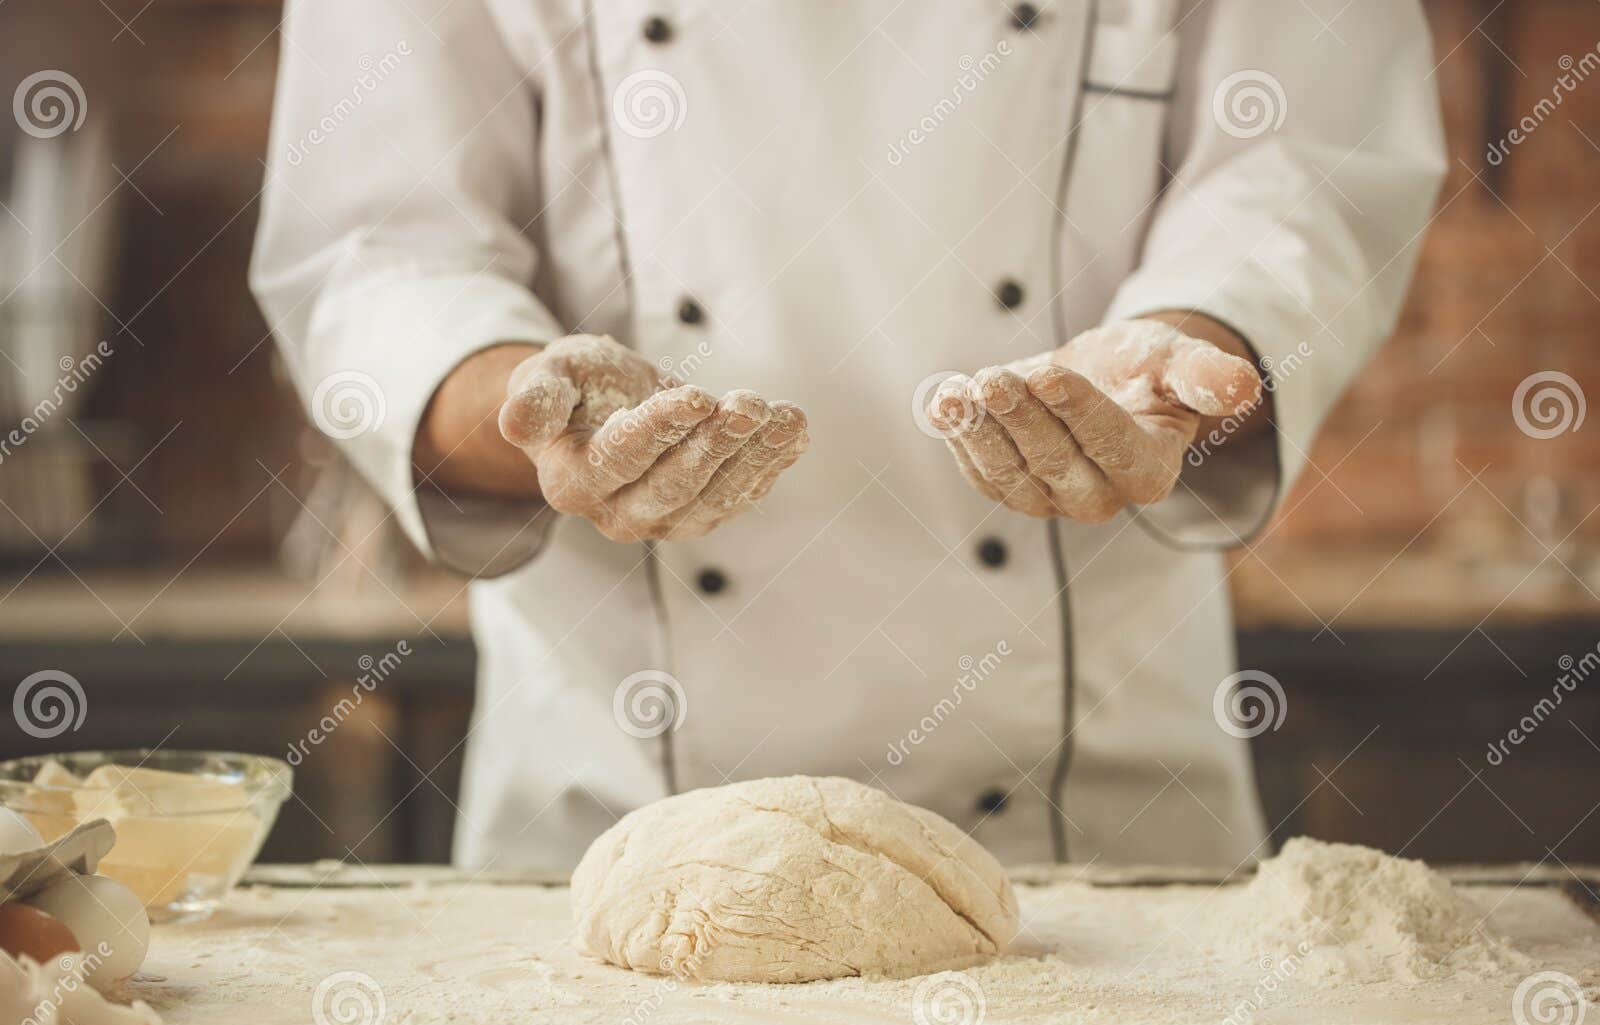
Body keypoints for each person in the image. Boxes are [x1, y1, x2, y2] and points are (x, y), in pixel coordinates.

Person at [251, 1, 1445, 871]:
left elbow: (1303, 168)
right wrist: (531, 408)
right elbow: (379, 245)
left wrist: (1190, 346)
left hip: (1096, 828)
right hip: (618, 823)